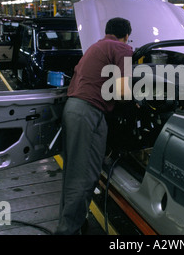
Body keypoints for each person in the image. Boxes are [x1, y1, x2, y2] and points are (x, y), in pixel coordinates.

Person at [55, 17, 133, 235]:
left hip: (72, 109)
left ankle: (73, 223)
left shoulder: (96, 46)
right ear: (126, 35)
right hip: (89, 113)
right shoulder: (123, 48)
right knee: (85, 177)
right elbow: (122, 91)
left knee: (73, 174)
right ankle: (67, 232)